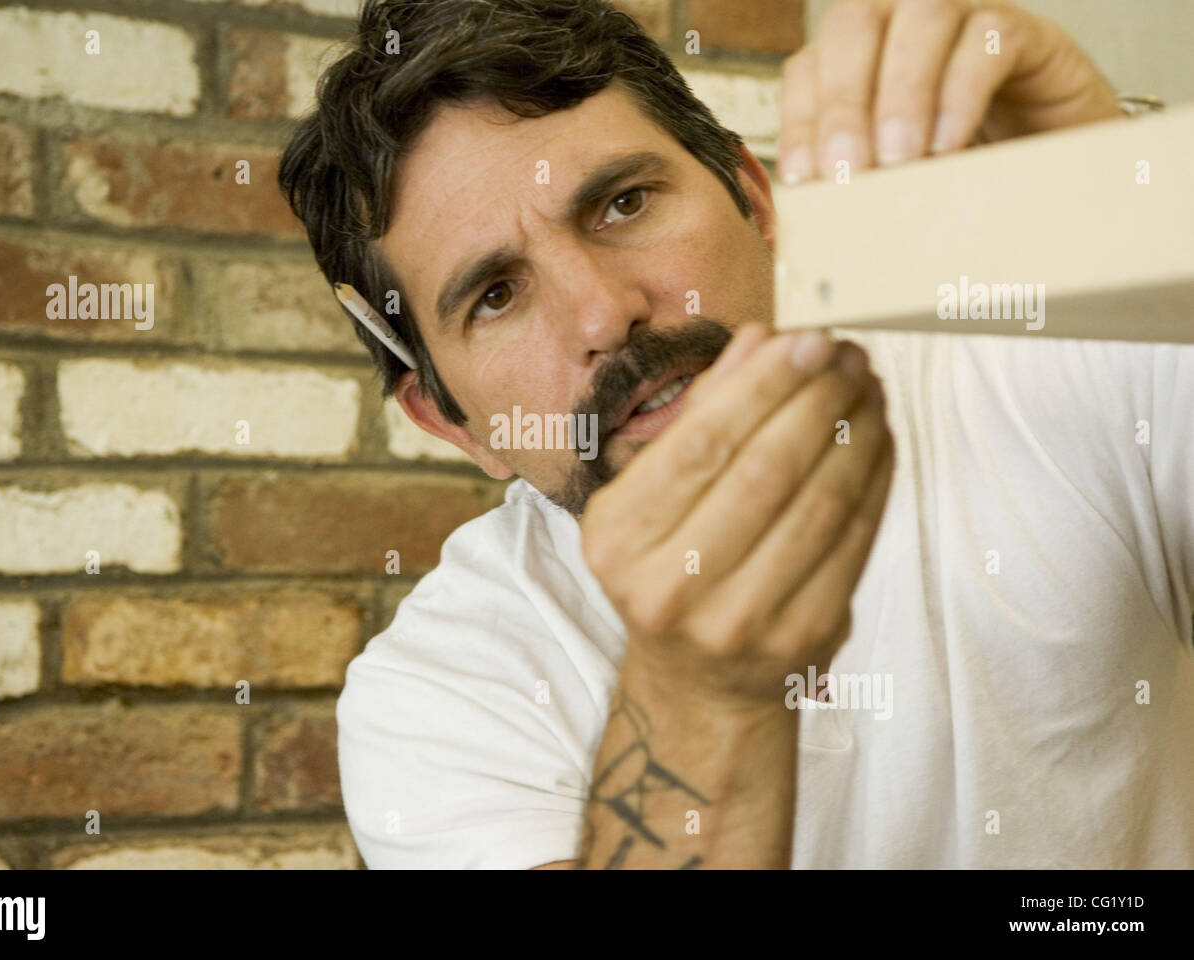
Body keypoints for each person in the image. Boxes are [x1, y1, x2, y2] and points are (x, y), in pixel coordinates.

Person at [279, 0, 1194, 868]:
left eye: (624, 204)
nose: (605, 312)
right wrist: (700, 690)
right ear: (451, 421)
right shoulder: (444, 691)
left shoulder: (1038, 367)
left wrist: (1137, 219)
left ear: (755, 201)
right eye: (497, 296)